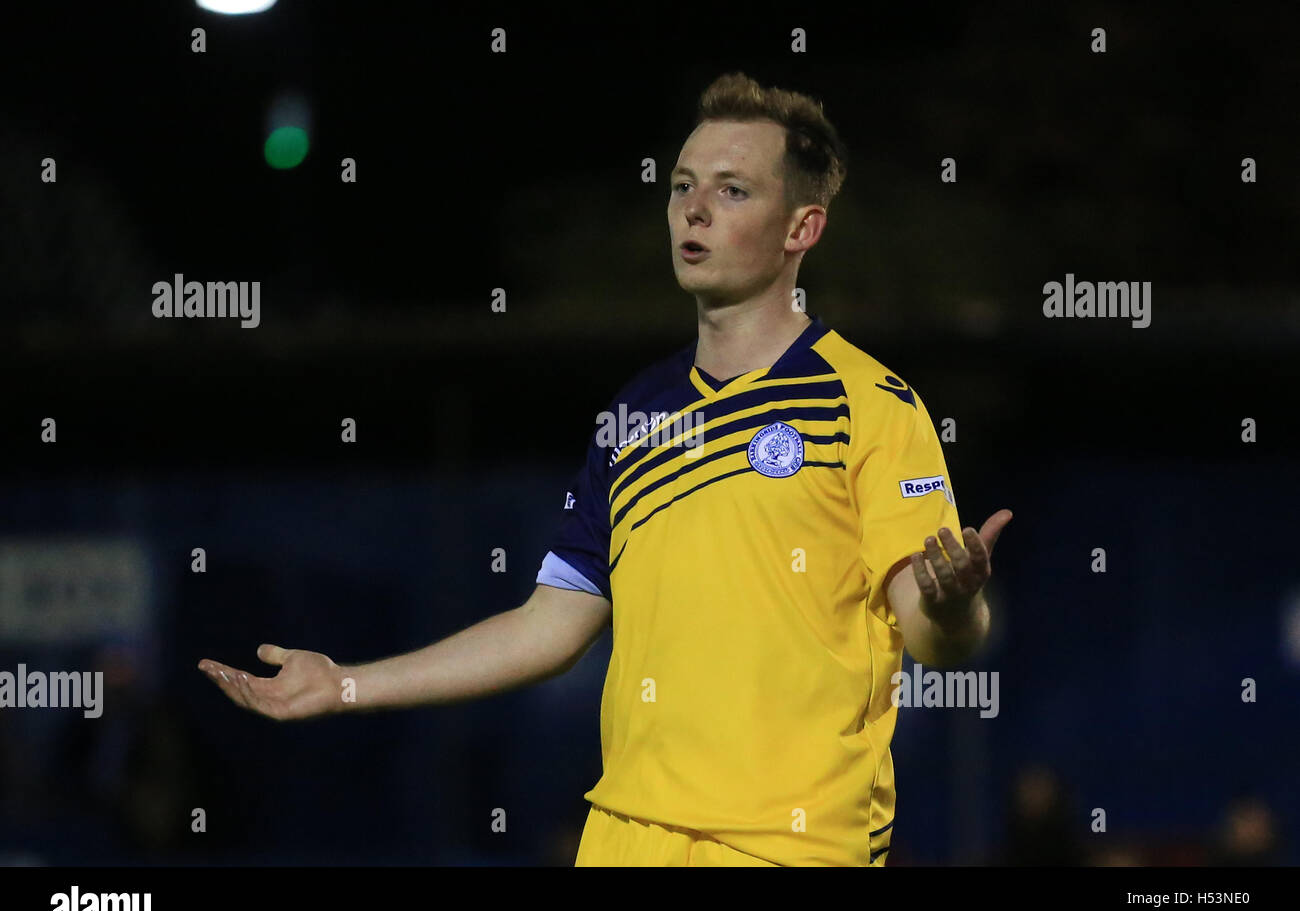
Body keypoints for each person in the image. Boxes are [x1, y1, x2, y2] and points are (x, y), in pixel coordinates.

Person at [199, 72, 1011, 866]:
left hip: (792, 847)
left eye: (732, 191)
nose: (692, 208)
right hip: (624, 838)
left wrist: (955, 605)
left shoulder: (869, 404)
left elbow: (938, 638)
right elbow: (549, 625)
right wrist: (343, 685)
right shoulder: (635, 414)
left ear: (802, 229)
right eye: (682, 185)